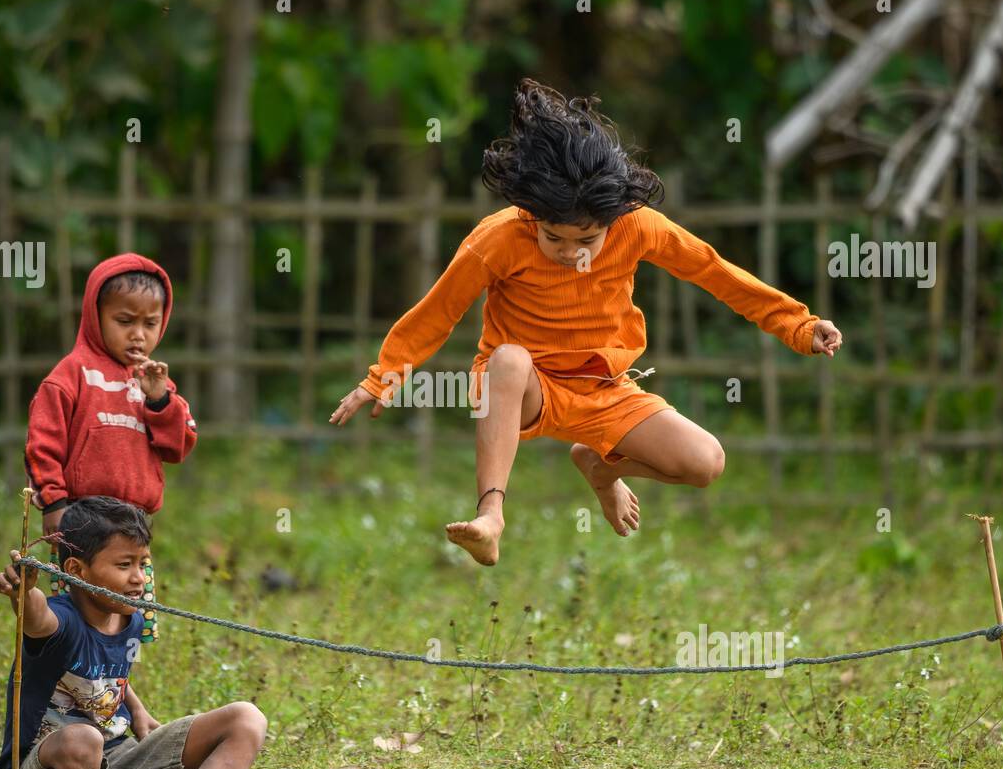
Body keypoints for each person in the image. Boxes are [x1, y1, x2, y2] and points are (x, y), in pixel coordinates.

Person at [331, 78, 843, 565]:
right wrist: (384, 377)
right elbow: (439, 310)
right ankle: (490, 516)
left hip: (606, 388)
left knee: (706, 463)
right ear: (531, 215)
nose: (571, 251)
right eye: (555, 239)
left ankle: (600, 468)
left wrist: (796, 324)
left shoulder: (637, 226)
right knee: (508, 360)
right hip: (527, 387)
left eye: (586, 240)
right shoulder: (498, 239)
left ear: (611, 220)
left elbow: (713, 271)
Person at [0, 496, 266, 769]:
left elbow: (106, 673)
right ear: (76, 570)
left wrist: (136, 709)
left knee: (246, 719)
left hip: (116, 762)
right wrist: (24, 591)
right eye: (124, 565)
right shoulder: (61, 621)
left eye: (143, 564)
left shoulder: (131, 619)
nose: (139, 578)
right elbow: (36, 618)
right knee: (84, 740)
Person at [26, 252, 198, 641]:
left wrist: (159, 402)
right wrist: (53, 503)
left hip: (134, 524)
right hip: (83, 522)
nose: (138, 334)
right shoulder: (71, 375)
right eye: (124, 321)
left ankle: (116, 692)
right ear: (95, 316)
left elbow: (179, 446)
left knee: (128, 620)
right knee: (76, 619)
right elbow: (42, 443)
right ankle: (73, 690)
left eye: (150, 324)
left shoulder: (155, 383)